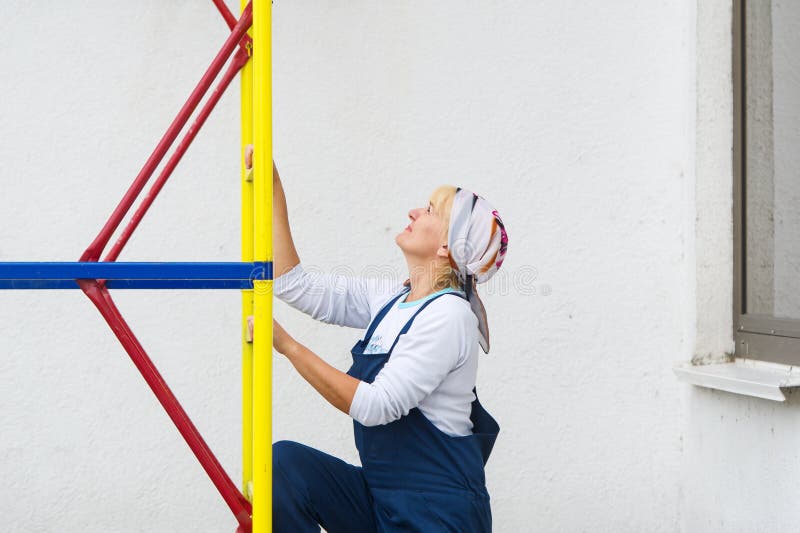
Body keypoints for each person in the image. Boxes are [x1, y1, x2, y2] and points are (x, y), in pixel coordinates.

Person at [246, 146, 508, 532]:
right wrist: (273, 186)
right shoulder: (393, 299)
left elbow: (376, 405)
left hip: (436, 517)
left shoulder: (450, 317)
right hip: (384, 501)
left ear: (446, 247)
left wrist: (288, 347)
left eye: (431, 211)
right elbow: (294, 285)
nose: (414, 213)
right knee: (283, 468)